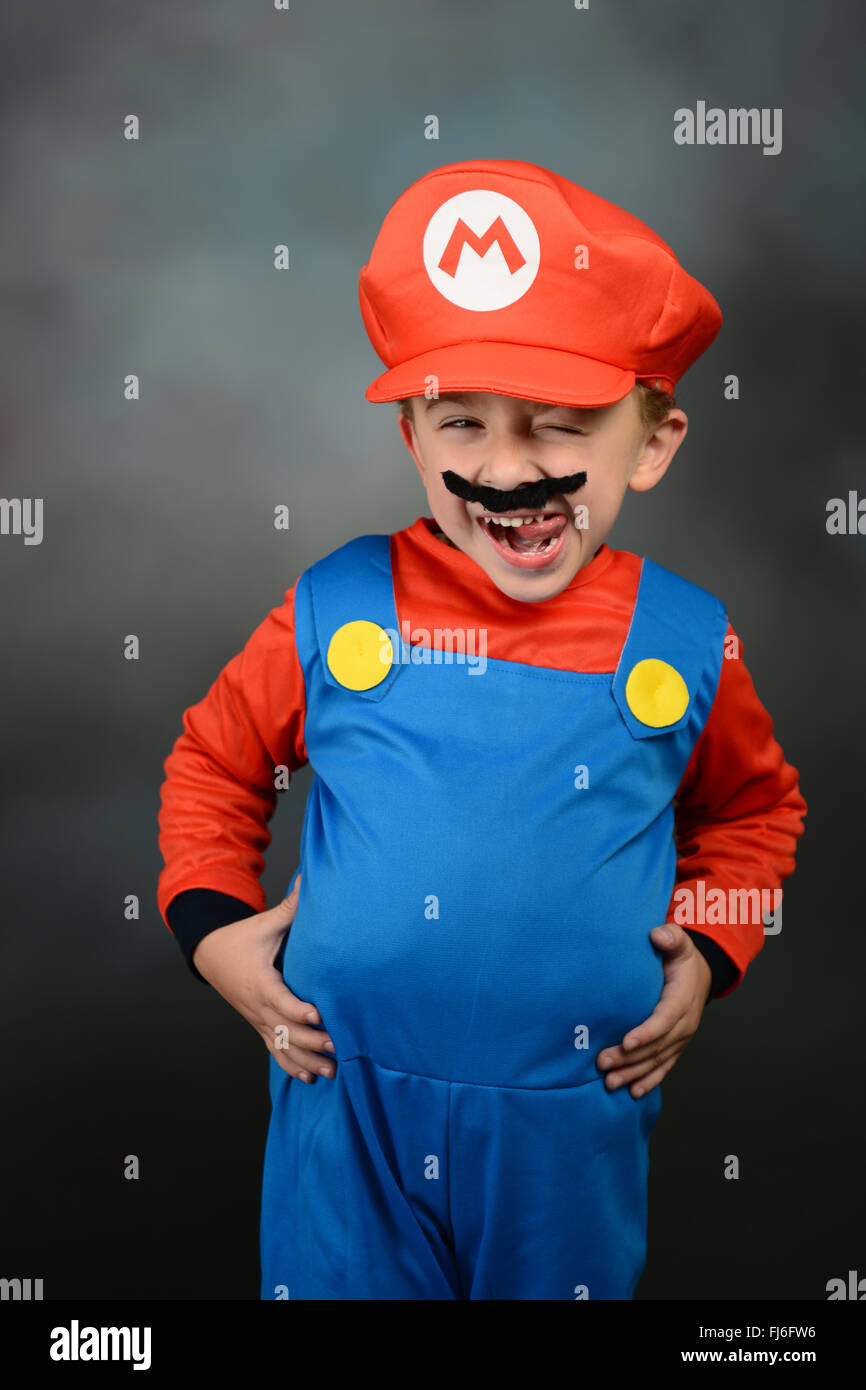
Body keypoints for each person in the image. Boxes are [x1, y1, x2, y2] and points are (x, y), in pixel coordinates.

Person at [157, 159, 807, 1299]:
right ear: (412, 432)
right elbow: (215, 761)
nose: (505, 471)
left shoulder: (685, 640)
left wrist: (708, 952)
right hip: (345, 1103)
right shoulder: (334, 608)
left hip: (568, 1119)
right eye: (462, 421)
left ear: (649, 446)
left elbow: (754, 811)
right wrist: (210, 921)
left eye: (557, 428)